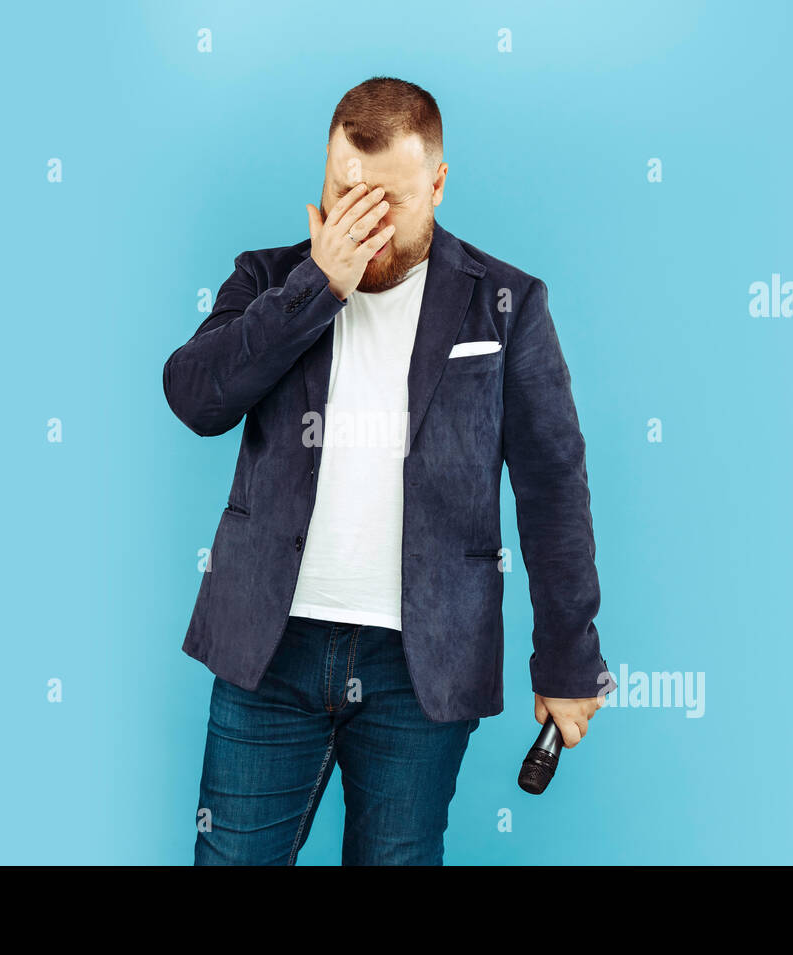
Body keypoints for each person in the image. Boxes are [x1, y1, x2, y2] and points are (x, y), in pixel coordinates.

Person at [163, 76, 615, 865]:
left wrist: (569, 657)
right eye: (346, 195)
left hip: (422, 664)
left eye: (389, 205)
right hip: (268, 649)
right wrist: (316, 287)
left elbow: (553, 488)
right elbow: (195, 397)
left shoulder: (507, 304)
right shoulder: (270, 280)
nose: (364, 225)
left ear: (437, 185)